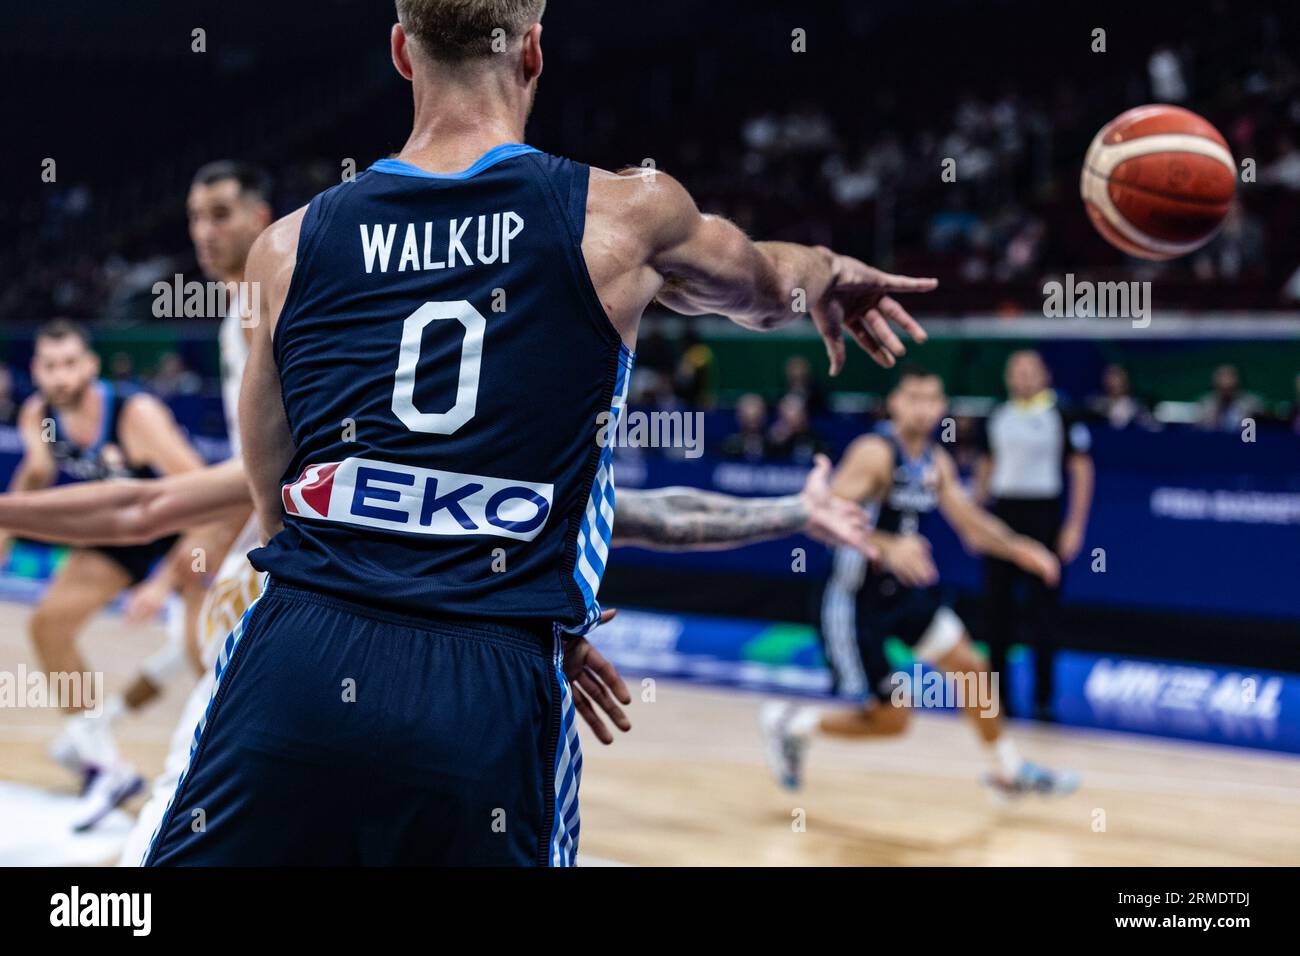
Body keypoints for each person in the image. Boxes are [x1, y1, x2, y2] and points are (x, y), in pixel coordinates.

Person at [142, 0, 936, 866]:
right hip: (491, 685)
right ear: (535, 51)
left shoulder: (288, 247)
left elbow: (278, 506)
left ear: (402, 53)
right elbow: (766, 287)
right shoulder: (627, 215)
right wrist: (828, 275)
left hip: (296, 658)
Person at [0, 451, 877, 862]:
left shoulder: (479, 455)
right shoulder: (308, 422)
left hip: (323, 701)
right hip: (276, 692)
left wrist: (540, 619)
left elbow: (656, 514)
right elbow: (143, 505)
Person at [762, 367, 1078, 798]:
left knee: (973, 671)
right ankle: (792, 724)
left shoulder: (936, 461)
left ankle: (1009, 772)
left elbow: (971, 523)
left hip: (903, 592)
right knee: (894, 719)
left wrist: (1021, 548)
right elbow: (819, 518)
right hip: (853, 600)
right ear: (894, 403)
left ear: (943, 408)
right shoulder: (875, 452)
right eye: (913, 398)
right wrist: (887, 545)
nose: (923, 408)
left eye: (932, 399)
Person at [2, 319, 208, 829]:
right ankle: (103, 763)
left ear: (91, 367)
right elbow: (33, 474)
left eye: (71, 364)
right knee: (48, 625)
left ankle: (207, 788)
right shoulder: (39, 415)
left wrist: (164, 581)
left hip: (187, 529)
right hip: (123, 534)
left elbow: (203, 497)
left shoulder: (135, 415)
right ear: (37, 371)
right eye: (50, 367)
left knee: (199, 655)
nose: (61, 376)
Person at [973, 350, 1093, 721]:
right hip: (1003, 517)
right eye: (1016, 371)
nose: (1023, 378)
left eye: (1030, 371)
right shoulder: (997, 415)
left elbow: (1082, 470)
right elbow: (986, 467)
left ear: (1044, 375)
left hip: (1044, 516)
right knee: (997, 612)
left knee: (1044, 614)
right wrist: (974, 520)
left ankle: (1043, 699)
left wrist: (1074, 526)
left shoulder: (1062, 413)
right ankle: (999, 698)